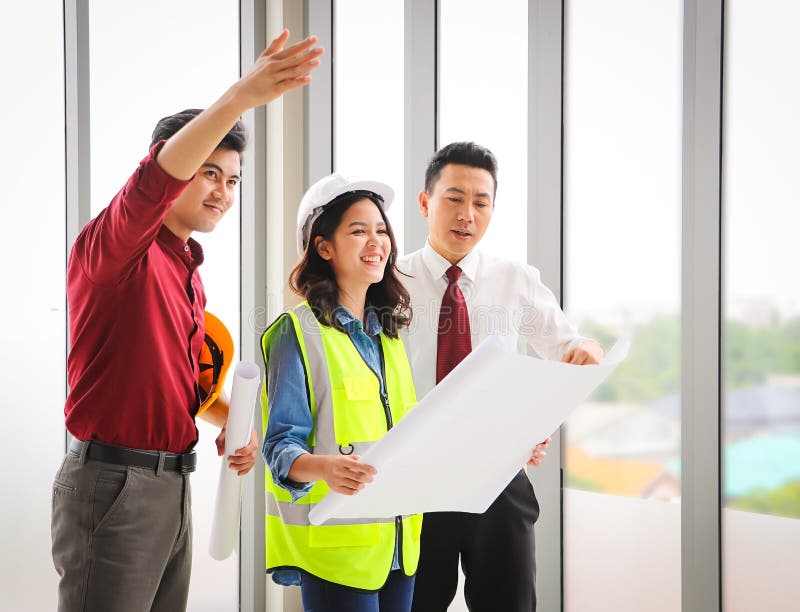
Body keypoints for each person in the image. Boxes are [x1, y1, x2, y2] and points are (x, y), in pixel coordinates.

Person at [51, 30, 324, 612]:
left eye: (233, 180)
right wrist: (239, 98)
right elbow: (155, 181)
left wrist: (235, 421)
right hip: (114, 484)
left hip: (174, 485)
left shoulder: (188, 273)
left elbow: (183, 389)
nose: (224, 192)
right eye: (209, 173)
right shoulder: (116, 248)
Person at [398, 142, 605, 612]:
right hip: (415, 480)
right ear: (425, 202)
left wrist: (587, 352)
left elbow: (569, 348)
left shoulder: (515, 280)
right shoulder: (390, 282)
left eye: (480, 202)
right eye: (453, 198)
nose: (466, 214)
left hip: (498, 478)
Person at [260, 173, 422, 611]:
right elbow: (279, 447)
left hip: (398, 549)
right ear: (323, 247)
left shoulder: (390, 338)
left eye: (382, 230)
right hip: (336, 554)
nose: (376, 242)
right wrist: (325, 467)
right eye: (359, 230)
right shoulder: (297, 332)